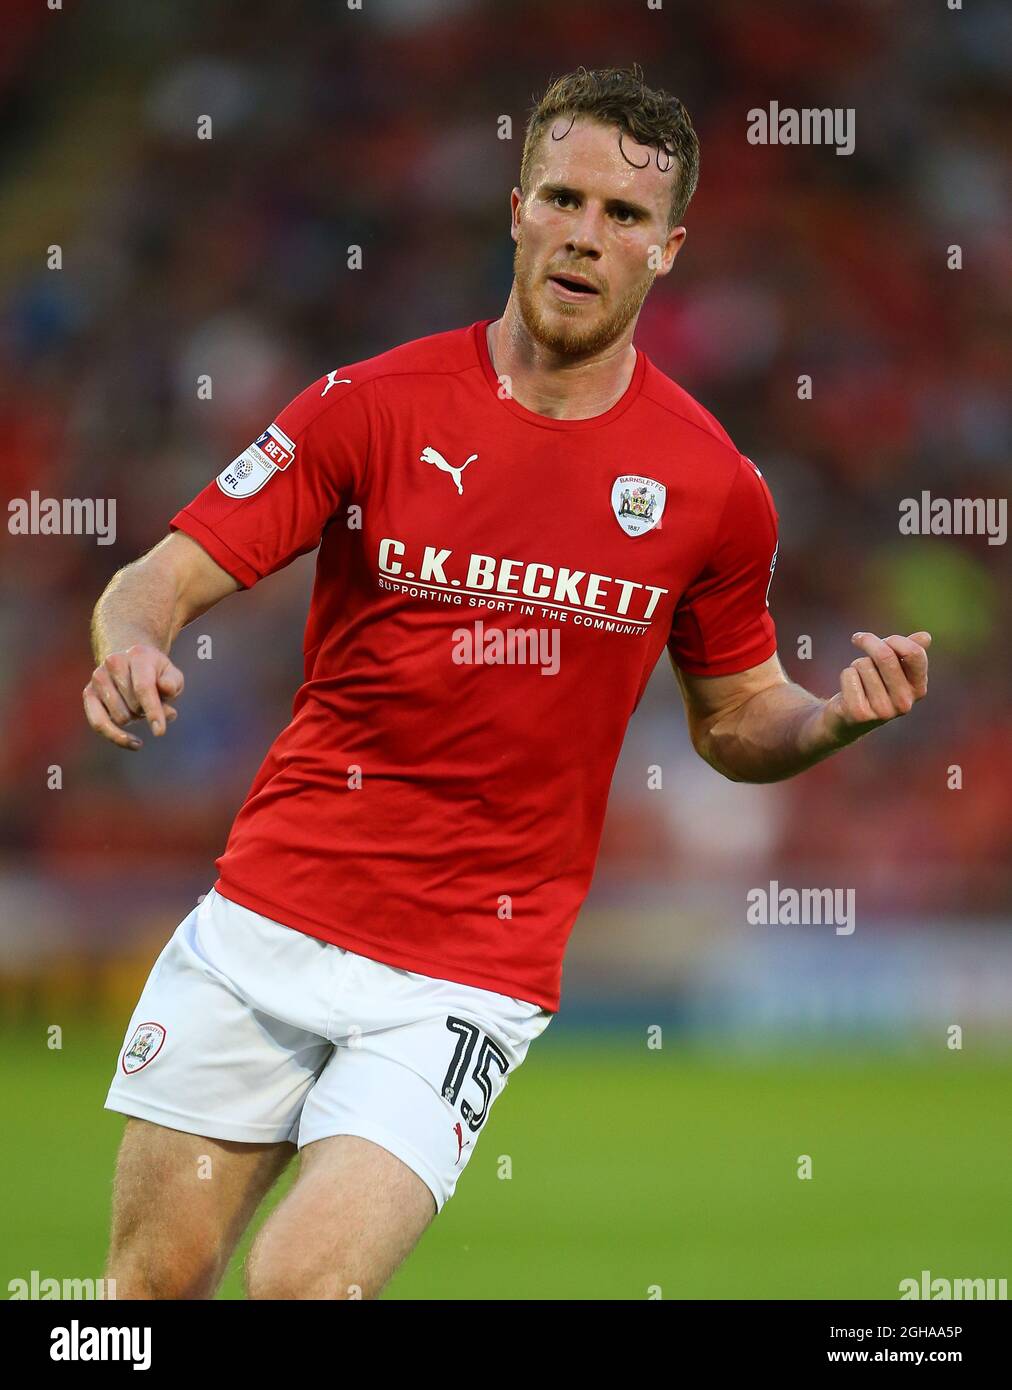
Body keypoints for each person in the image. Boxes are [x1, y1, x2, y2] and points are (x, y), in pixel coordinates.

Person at [85, 64, 930, 1300]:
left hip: (468, 969)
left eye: (626, 216)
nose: (589, 234)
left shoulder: (712, 486)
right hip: (268, 913)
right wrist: (131, 644)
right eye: (565, 198)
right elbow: (158, 577)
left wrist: (829, 719)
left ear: (668, 248)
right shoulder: (366, 405)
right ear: (518, 207)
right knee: (148, 1294)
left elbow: (739, 718)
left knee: (300, 1288)